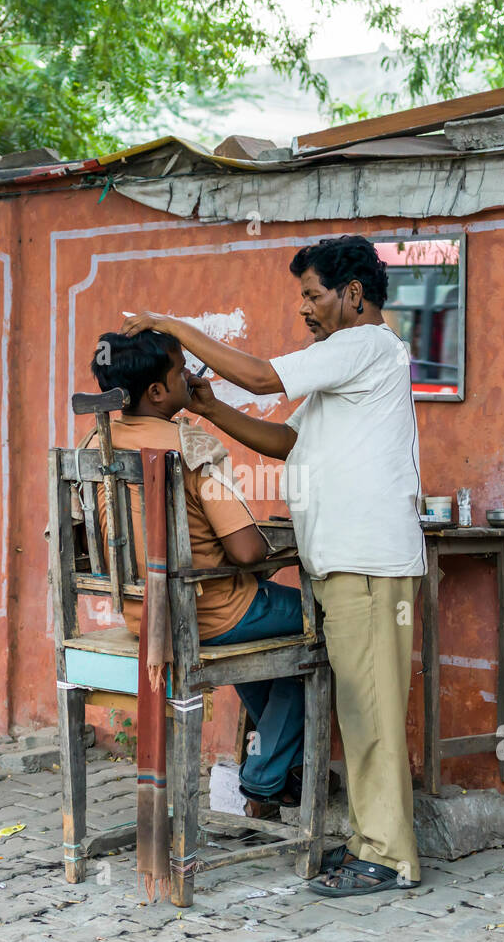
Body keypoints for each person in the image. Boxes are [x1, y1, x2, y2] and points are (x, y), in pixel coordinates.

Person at [123, 234, 425, 897]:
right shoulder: (341, 365)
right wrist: (208, 407)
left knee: (369, 709)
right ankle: (368, 841)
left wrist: (176, 328)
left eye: (312, 295)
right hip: (345, 561)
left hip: (368, 562)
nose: (305, 310)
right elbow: (290, 442)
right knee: (358, 704)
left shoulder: (365, 345)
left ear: (353, 294)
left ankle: (387, 854)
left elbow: (262, 376)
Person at [88, 328, 314, 816]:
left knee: (271, 649)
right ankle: (266, 776)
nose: (191, 376)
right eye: (180, 371)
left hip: (141, 616)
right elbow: (249, 551)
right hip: (208, 614)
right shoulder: (191, 447)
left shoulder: (94, 448)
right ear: (156, 392)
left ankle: (278, 773)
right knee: (328, 628)